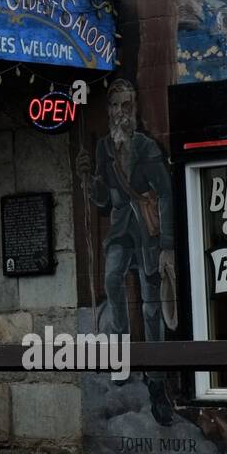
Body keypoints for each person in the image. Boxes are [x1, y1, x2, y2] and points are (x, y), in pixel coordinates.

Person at [76, 78, 177, 425]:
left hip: (148, 236)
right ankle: (120, 353)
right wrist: (90, 185)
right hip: (120, 233)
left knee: (151, 309)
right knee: (111, 280)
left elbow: (165, 193)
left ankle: (157, 383)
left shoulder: (147, 148)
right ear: (108, 110)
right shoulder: (104, 148)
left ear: (134, 109)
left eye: (126, 106)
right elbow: (105, 202)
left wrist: (167, 245)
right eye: (115, 106)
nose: (121, 113)